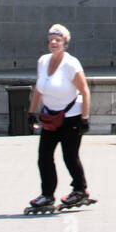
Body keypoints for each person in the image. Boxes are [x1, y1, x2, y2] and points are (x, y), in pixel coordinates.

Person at [26, 24, 93, 210]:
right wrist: (31, 112)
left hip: (71, 117)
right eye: (51, 40)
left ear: (65, 43)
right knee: (44, 157)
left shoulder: (71, 64)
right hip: (50, 117)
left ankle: (80, 190)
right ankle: (47, 194)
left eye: (58, 40)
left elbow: (85, 91)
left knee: (70, 156)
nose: (54, 43)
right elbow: (39, 89)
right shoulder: (43, 61)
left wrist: (84, 119)